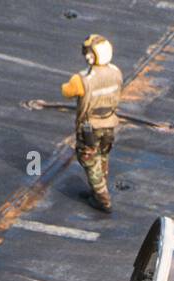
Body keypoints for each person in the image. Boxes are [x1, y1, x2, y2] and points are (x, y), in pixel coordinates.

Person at [60, 34, 123, 214]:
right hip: (110, 124)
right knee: (103, 156)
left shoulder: (82, 79)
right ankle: (98, 189)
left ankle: (102, 198)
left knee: (89, 160)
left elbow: (66, 91)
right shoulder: (116, 72)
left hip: (90, 127)